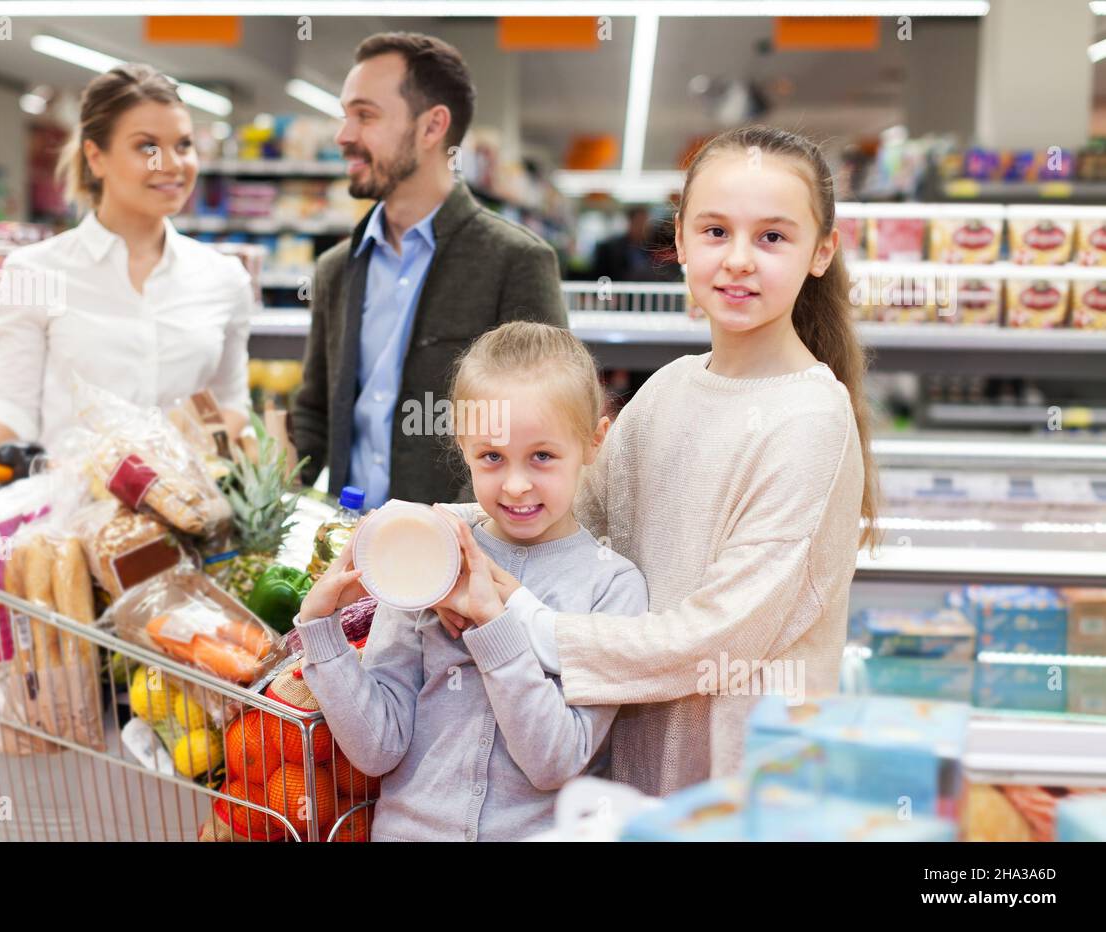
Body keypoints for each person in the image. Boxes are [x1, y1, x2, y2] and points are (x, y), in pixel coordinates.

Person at [434, 125, 879, 797]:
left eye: (772, 237)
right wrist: (438, 533)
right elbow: (563, 516)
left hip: (743, 791)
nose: (737, 260)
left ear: (822, 251)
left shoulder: (811, 420)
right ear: (680, 241)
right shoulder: (668, 388)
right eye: (715, 231)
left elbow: (716, 637)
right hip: (639, 778)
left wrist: (528, 621)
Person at [292, 322, 647, 841]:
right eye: (492, 457)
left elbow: (555, 761)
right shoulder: (426, 557)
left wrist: (492, 623)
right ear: (463, 445)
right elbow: (379, 748)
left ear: (594, 441)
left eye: (543, 456)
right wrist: (320, 629)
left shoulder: (613, 587)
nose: (517, 484)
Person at [0, 64, 253, 500]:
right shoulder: (35, 271)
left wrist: (178, 466)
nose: (172, 164)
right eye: (147, 146)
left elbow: (230, 404)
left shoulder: (224, 279)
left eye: (183, 144)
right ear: (96, 156)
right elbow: (12, 403)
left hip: (184, 531)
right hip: (65, 527)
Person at [292, 32, 567, 512]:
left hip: (461, 558)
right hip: (347, 547)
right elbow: (316, 413)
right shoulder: (336, 270)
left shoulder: (515, 260)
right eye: (345, 116)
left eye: (365, 115)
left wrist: (455, 536)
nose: (344, 136)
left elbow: (542, 426)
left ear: (432, 126)